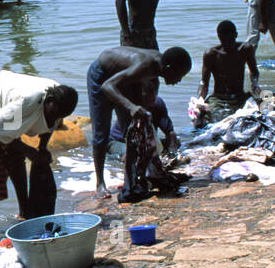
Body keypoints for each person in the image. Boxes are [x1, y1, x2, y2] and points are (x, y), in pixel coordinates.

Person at [0, 71, 78, 231]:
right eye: (54, 114)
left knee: (15, 154)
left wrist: (42, 148)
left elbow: (52, 124)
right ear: (48, 101)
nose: (56, 118)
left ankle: (24, 213)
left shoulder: (60, 99)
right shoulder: (28, 102)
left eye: (61, 116)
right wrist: (29, 151)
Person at [87, 45, 191, 197]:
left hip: (124, 78)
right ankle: (100, 184)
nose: (179, 80)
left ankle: (133, 181)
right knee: (101, 133)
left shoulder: (156, 67)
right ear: (169, 68)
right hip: (102, 77)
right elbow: (107, 86)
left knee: (134, 131)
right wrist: (130, 106)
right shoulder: (146, 65)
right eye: (179, 75)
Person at [198, 20, 260, 118]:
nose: (227, 43)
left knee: (258, 112)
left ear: (236, 35)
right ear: (219, 37)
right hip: (218, 99)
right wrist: (200, 99)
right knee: (203, 118)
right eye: (223, 40)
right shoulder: (211, 54)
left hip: (240, 97)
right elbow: (204, 82)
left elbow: (254, 71)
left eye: (230, 39)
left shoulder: (245, 49)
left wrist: (254, 84)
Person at [110, 77, 180, 154]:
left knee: (177, 142)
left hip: (145, 142)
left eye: (154, 93)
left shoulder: (158, 103)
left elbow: (170, 133)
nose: (152, 99)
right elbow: (132, 141)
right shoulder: (131, 107)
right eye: (147, 95)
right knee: (133, 153)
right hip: (118, 141)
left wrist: (172, 151)